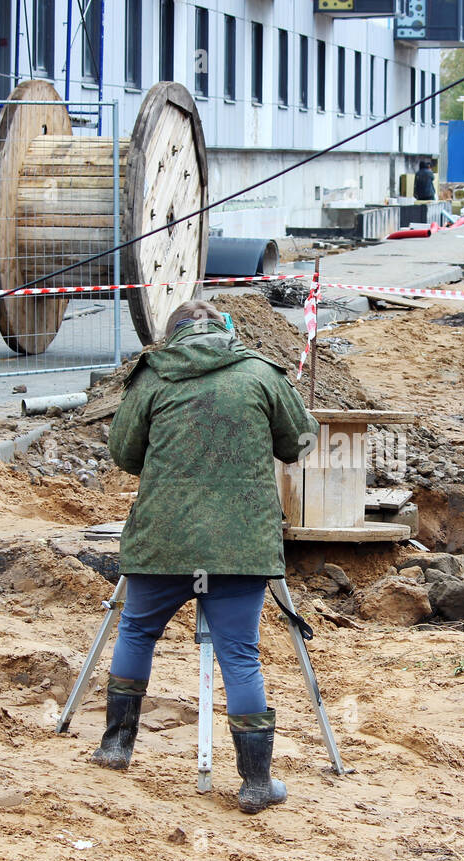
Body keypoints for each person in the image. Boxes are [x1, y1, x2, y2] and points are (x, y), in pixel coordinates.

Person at [98, 299, 318, 815]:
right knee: (239, 655)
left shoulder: (152, 376)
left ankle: (115, 745)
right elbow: (301, 443)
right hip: (241, 545)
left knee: (136, 632)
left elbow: (123, 453)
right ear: (226, 330)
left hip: (163, 540)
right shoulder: (260, 373)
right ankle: (256, 782)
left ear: (172, 336)